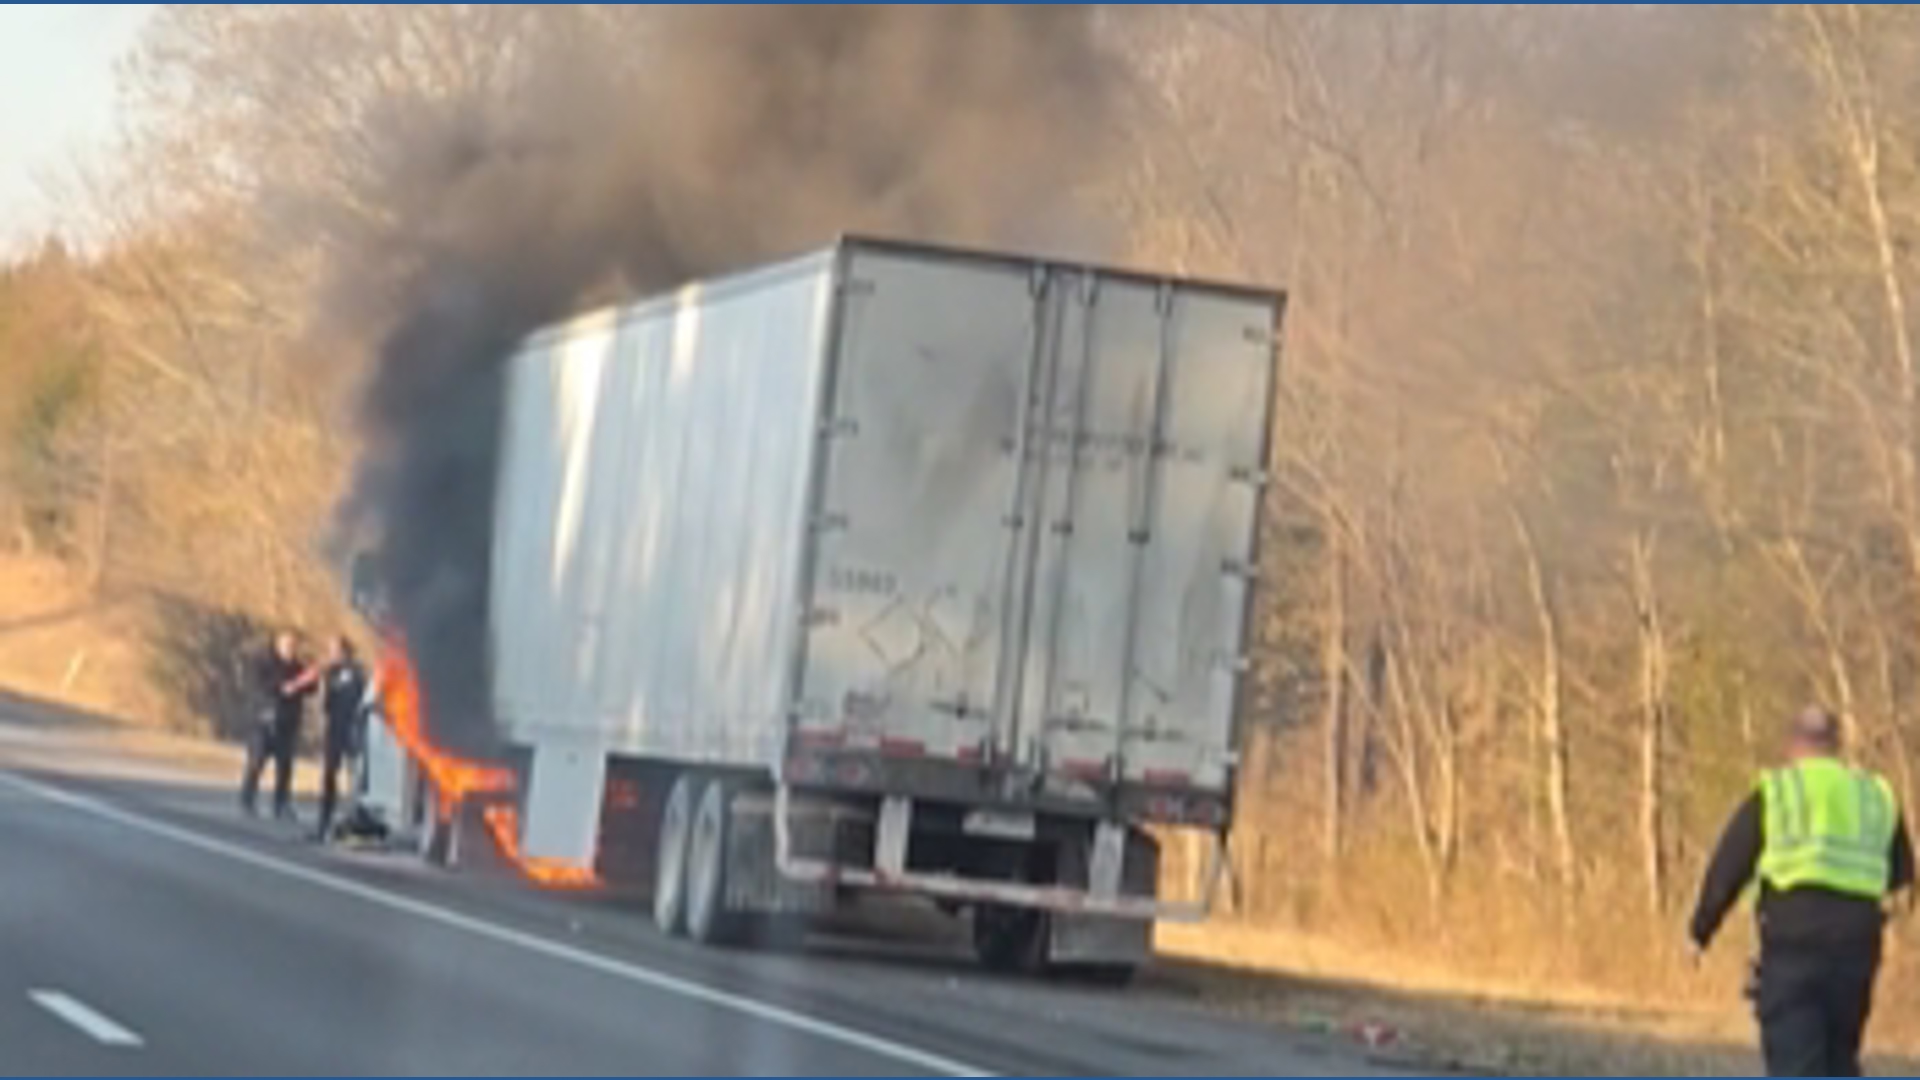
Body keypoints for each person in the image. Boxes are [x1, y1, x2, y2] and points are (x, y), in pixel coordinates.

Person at [1689, 707, 1916, 1076]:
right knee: (1840, 1057)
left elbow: (1729, 864)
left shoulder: (1779, 792)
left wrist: (1700, 930)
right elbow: (1903, 876)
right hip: (1856, 948)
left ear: (1792, 746)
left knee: (1797, 1062)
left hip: (1793, 945)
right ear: (1837, 745)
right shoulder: (1873, 795)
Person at [239, 630, 319, 821]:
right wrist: (282, 687)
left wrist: (310, 680)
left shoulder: (298, 667)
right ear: (277, 644)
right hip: (264, 719)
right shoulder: (263, 662)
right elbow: (258, 685)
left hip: (288, 721)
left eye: (293, 645)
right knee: (257, 761)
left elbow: (310, 690)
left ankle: (281, 804)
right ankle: (247, 799)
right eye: (286, 644)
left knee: (285, 765)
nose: (290, 649)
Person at [313, 635, 370, 842]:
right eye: (330, 650)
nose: (333, 654)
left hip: (351, 727)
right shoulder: (328, 673)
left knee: (354, 775)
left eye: (337, 650)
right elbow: (323, 703)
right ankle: (324, 819)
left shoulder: (356, 672)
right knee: (329, 774)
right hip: (333, 727)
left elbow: (362, 699)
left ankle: (352, 818)